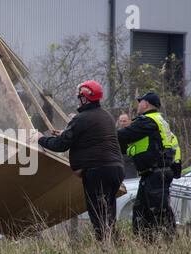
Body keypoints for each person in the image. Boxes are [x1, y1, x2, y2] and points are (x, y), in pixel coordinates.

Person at [32, 80, 124, 241]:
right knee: (108, 213)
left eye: (79, 97)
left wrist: (40, 139)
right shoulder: (106, 115)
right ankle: (112, 244)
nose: (77, 100)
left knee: (98, 214)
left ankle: (106, 247)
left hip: (97, 171)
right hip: (115, 169)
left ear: (84, 98)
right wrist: (65, 133)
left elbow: (60, 146)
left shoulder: (82, 118)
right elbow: (91, 137)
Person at [118, 92, 180, 241]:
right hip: (155, 172)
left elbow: (124, 135)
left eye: (140, 102)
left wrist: (104, 134)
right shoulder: (158, 121)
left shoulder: (147, 121)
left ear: (146, 104)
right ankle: (147, 243)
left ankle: (167, 243)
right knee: (142, 212)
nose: (138, 105)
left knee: (158, 211)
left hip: (155, 172)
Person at [117, 113, 138, 178]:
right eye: (121, 121)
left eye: (124, 121)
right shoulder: (116, 134)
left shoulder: (134, 132)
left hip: (133, 161)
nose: (122, 123)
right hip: (121, 161)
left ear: (129, 121)